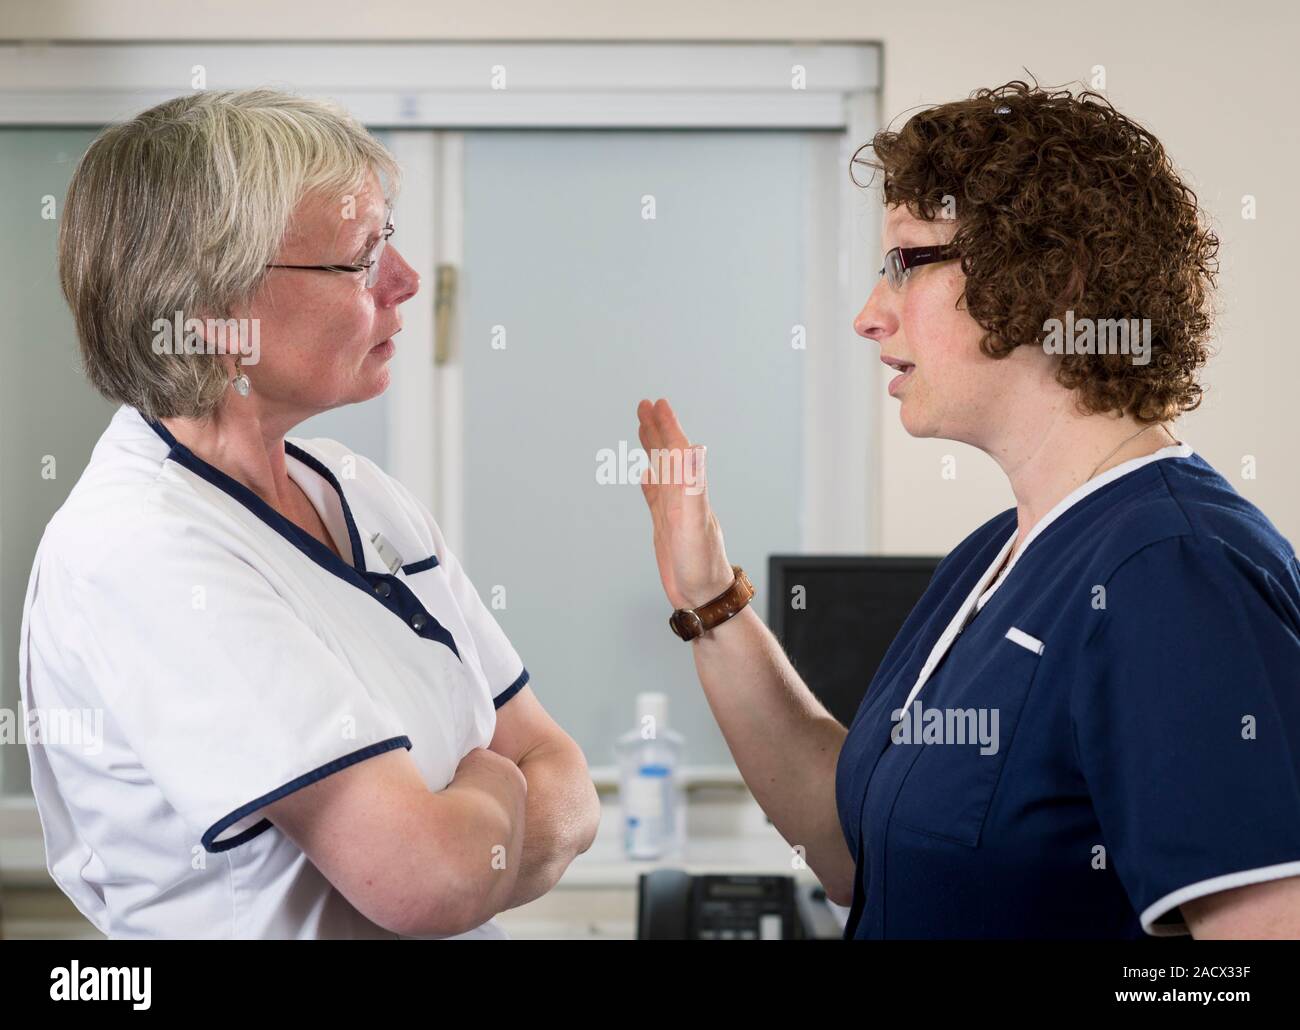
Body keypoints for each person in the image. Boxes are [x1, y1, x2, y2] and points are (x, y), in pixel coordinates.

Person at [636, 80, 1300, 939]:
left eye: (906, 263)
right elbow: (850, 854)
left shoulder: (1173, 571)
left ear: (1051, 277)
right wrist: (709, 598)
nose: (869, 317)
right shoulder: (1000, 555)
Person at [20, 88, 599, 939]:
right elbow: (431, 882)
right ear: (213, 312)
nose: (403, 281)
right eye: (362, 258)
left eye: (388, 241)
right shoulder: (141, 548)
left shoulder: (355, 488)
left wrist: (489, 834)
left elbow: (566, 779)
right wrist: (499, 788)